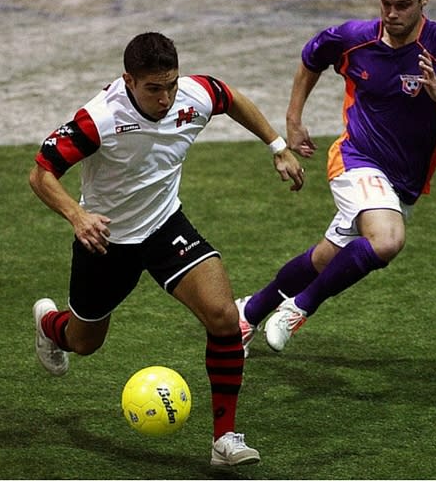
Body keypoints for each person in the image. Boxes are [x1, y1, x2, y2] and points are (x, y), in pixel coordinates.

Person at [28, 32, 304, 466]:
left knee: (223, 316)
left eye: (171, 84)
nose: (165, 97)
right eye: (154, 88)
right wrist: (78, 217)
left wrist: (277, 146)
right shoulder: (98, 119)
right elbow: (41, 174)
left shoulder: (192, 95)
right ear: (129, 81)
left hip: (163, 227)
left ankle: (224, 440)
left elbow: (228, 96)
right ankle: (51, 326)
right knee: (84, 342)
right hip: (106, 240)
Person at [236, 0, 436, 356]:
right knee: (388, 240)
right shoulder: (354, 39)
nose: (392, 15)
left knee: (327, 257)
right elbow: (313, 56)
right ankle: (299, 308)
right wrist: (293, 120)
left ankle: (247, 314)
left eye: (404, 6)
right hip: (354, 159)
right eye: (385, 4)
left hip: (404, 183)